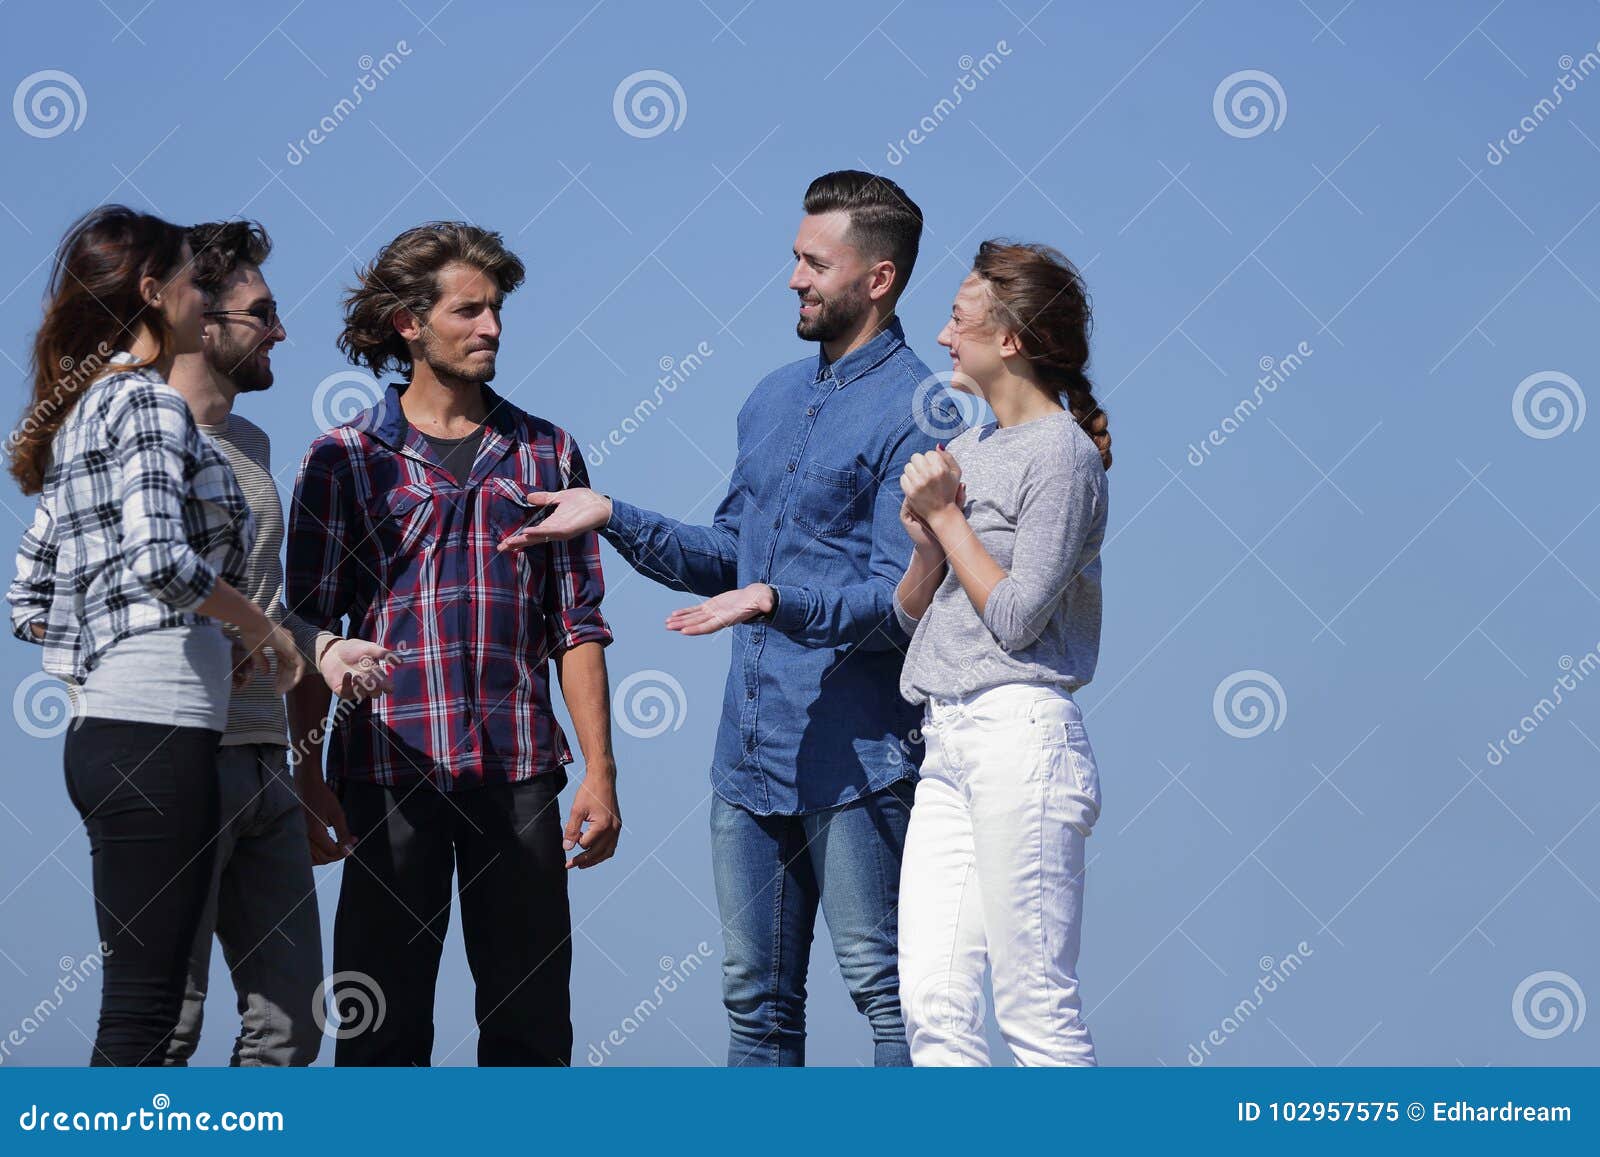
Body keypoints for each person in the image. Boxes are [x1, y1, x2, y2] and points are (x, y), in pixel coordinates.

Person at [500, 171, 945, 1066]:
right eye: (795, 258)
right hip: (745, 761)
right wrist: (611, 512)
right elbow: (728, 557)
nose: (794, 278)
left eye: (815, 263)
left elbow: (902, 606)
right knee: (754, 1004)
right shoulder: (770, 398)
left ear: (879, 278)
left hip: (858, 760)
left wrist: (778, 599)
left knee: (889, 994)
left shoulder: (921, 411)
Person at [285, 222, 620, 1066]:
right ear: (409, 322)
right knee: (381, 1034)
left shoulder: (547, 451)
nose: (491, 327)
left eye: (496, 309)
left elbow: (576, 623)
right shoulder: (343, 460)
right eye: (469, 310)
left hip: (519, 773)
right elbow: (309, 630)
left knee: (532, 1030)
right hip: (386, 774)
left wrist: (601, 771)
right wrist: (307, 776)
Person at [6, 205, 305, 1066]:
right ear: (155, 293)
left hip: (116, 733)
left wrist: (124, 652)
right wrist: (262, 632)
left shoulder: (89, 407)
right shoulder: (148, 404)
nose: (198, 298)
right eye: (187, 282)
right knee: (145, 1021)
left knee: (144, 1017)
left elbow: (30, 598)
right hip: (161, 735)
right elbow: (161, 560)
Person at [161, 219, 397, 1067]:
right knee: (166, 1024)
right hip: (178, 755)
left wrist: (324, 648)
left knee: (291, 1028)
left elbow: (264, 604)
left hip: (264, 755)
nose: (282, 331)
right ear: (201, 321)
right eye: (262, 313)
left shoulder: (253, 446)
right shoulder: (144, 438)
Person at [892, 240, 1112, 1066]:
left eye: (958, 319)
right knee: (932, 1005)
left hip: (1021, 737)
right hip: (945, 738)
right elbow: (913, 616)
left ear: (1010, 338)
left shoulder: (1063, 455)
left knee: (1035, 1007)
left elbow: (1018, 618)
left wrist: (950, 518)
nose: (942, 337)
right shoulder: (975, 450)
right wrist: (928, 541)